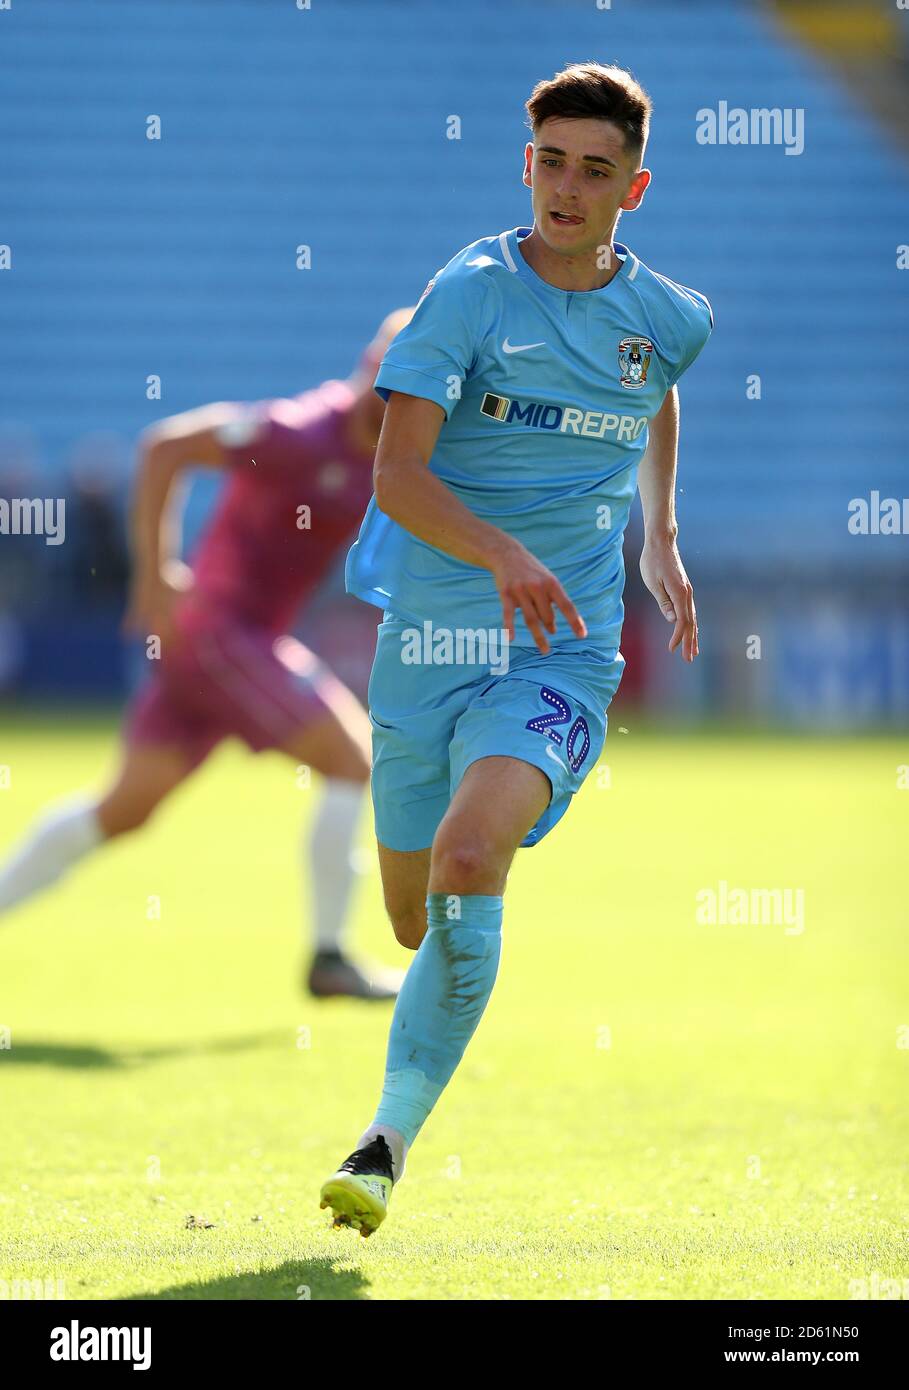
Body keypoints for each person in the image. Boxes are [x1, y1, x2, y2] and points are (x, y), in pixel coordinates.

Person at [319, 63, 713, 1233]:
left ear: (633, 189)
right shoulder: (468, 294)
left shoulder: (669, 317)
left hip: (563, 649)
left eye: (597, 171)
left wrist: (663, 538)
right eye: (552, 162)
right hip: (431, 638)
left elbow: (660, 387)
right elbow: (396, 476)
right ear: (524, 163)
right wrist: (499, 551)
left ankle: (383, 1144)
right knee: (408, 915)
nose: (569, 188)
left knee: (472, 853)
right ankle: (408, 1057)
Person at [0, 310, 413, 1000]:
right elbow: (166, 445)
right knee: (350, 759)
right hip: (222, 632)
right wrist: (154, 571)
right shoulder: (298, 434)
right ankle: (329, 956)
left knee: (123, 808)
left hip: (222, 644)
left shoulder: (387, 455)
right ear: (374, 367)